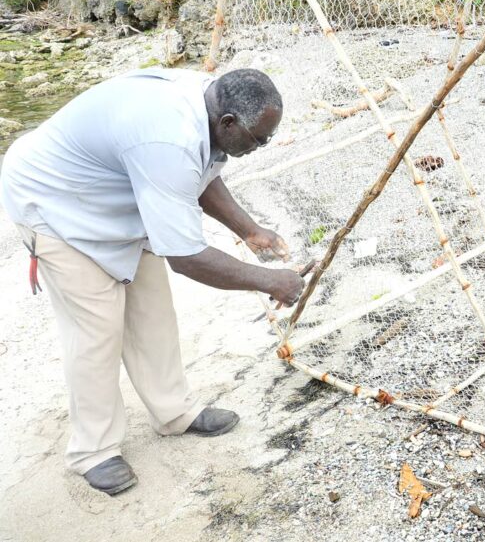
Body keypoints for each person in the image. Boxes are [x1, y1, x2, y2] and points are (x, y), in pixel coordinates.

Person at [0, 67, 305, 495]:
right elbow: (185, 257)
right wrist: (270, 281)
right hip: (53, 204)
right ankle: (94, 451)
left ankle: (174, 412)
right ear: (229, 123)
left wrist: (250, 231)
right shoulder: (167, 139)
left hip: (116, 199)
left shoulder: (210, 103)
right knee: (96, 330)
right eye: (259, 140)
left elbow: (203, 175)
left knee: (153, 312)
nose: (262, 147)